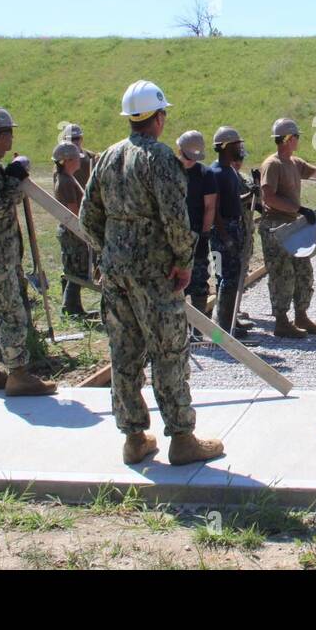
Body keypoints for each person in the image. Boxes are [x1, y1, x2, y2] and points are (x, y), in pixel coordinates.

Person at [80, 79, 225, 466]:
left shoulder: (108, 157)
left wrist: (107, 252)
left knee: (124, 353)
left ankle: (133, 438)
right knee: (169, 351)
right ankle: (181, 437)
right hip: (155, 274)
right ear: (158, 118)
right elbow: (176, 218)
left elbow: (87, 215)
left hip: (116, 274)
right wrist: (183, 261)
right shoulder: (159, 158)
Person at [0, 106, 57, 396]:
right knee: (9, 313)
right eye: (8, 133)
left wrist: (9, 176)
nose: (11, 139)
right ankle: (18, 374)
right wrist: (15, 180)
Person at [258, 117, 316, 338]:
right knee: (282, 274)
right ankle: (281, 321)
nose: (298, 141)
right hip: (276, 227)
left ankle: (301, 316)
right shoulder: (273, 165)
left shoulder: (294, 163)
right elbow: (268, 197)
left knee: (303, 271)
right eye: (297, 137)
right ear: (289, 138)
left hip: (292, 226)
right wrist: (299, 209)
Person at [207, 126, 252, 341]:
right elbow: (213, 208)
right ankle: (222, 328)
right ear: (225, 147)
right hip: (223, 233)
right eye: (236, 145)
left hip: (235, 228)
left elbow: (232, 201)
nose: (240, 148)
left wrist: (251, 196)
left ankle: (231, 319)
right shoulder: (215, 173)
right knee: (226, 279)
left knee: (234, 278)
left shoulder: (230, 171)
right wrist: (225, 236)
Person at [175, 130, 217, 326]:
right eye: (187, 156)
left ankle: (200, 327)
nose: (190, 161)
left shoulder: (205, 174)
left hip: (196, 235)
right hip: (173, 236)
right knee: (174, 284)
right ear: (179, 150)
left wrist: (204, 235)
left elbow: (209, 206)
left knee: (199, 282)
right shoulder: (169, 171)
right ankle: (177, 325)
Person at [53, 141, 94, 318]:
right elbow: (73, 210)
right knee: (76, 270)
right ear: (67, 160)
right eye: (77, 158)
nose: (80, 161)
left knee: (75, 268)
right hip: (72, 232)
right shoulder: (66, 182)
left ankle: (74, 307)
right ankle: (69, 308)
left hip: (72, 231)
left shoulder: (67, 178)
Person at [59, 123, 100, 189]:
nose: (75, 142)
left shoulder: (92, 157)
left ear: (81, 139)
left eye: (77, 138)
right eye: (72, 139)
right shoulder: (61, 161)